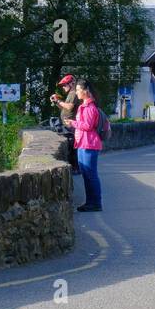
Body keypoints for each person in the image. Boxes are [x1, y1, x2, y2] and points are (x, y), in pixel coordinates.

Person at [64, 79, 103, 212]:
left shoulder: (90, 107)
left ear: (86, 92)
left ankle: (95, 203)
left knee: (90, 174)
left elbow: (87, 126)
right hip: (83, 143)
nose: (77, 92)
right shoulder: (84, 106)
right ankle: (90, 202)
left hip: (89, 144)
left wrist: (73, 123)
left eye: (79, 90)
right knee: (86, 174)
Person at [49, 74, 79, 173]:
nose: (63, 87)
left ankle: (75, 168)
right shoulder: (71, 93)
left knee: (72, 147)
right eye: (63, 85)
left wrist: (58, 100)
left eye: (65, 85)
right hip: (68, 124)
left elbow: (69, 107)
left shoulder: (74, 93)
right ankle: (75, 167)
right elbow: (64, 108)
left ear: (72, 83)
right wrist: (57, 102)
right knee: (71, 147)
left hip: (71, 125)